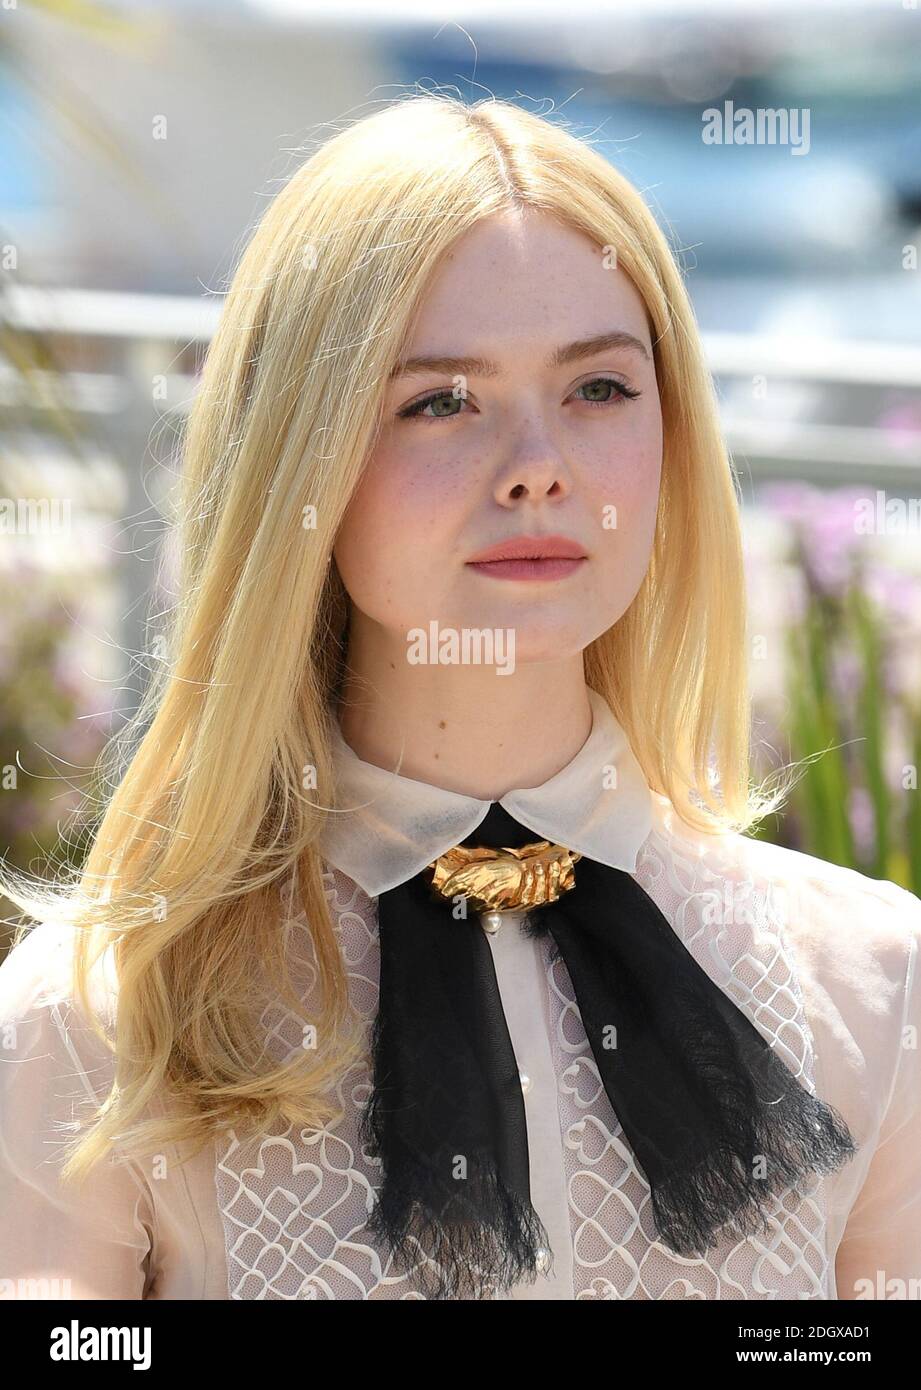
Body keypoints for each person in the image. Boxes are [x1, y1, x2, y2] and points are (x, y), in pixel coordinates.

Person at [0, 93, 919, 1302]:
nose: (540, 464)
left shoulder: (875, 986)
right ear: (301, 461)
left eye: (599, 388)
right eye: (441, 399)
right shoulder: (98, 1018)